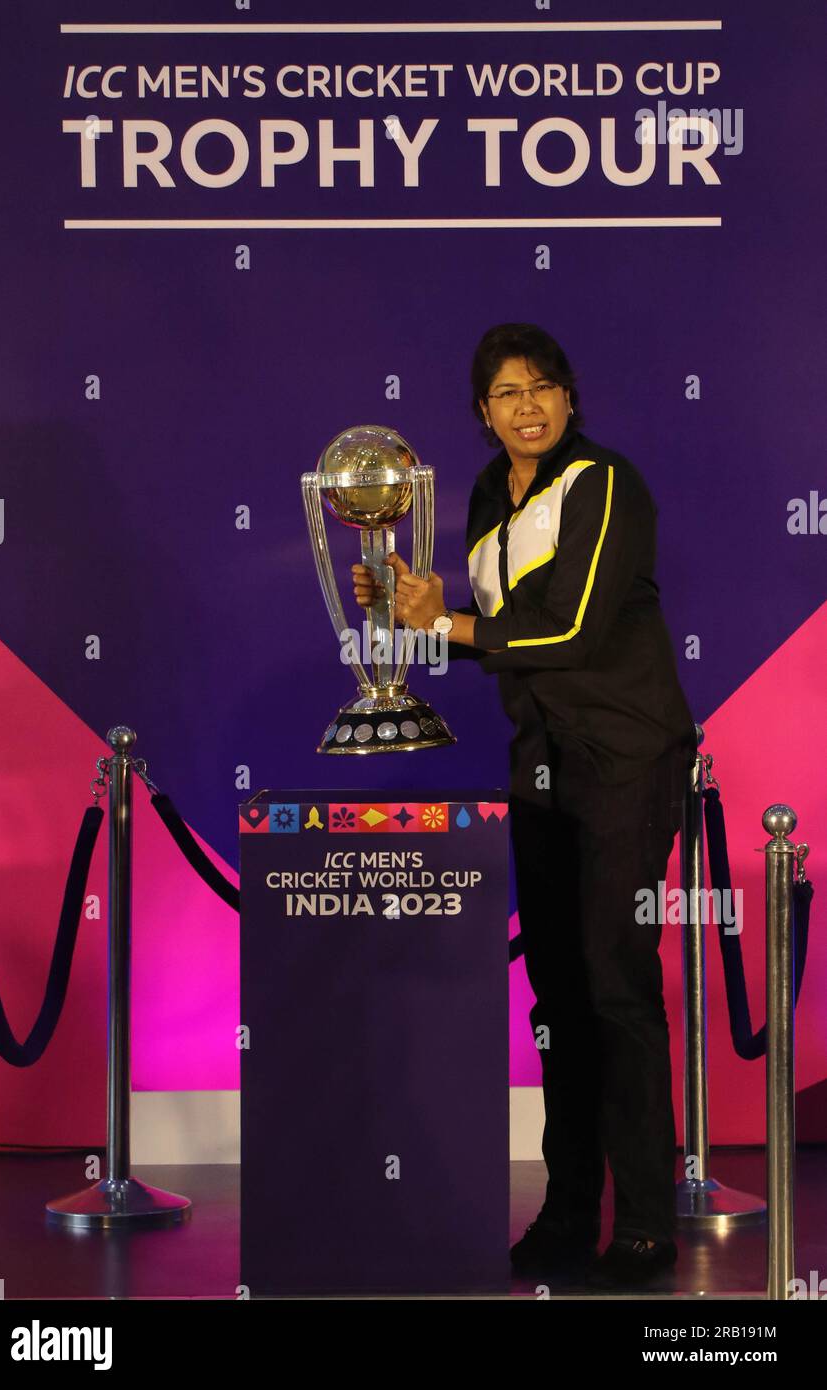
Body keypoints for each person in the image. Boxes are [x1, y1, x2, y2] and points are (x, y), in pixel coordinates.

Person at [352, 323, 697, 1289]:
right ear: (483, 413)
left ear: (570, 398)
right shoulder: (483, 496)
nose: (529, 406)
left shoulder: (603, 484)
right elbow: (499, 637)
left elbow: (576, 631)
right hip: (541, 762)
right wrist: (409, 611)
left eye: (543, 387)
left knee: (614, 983)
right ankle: (567, 1211)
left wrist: (449, 619)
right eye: (507, 394)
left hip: (626, 756)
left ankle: (643, 1220)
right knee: (557, 996)